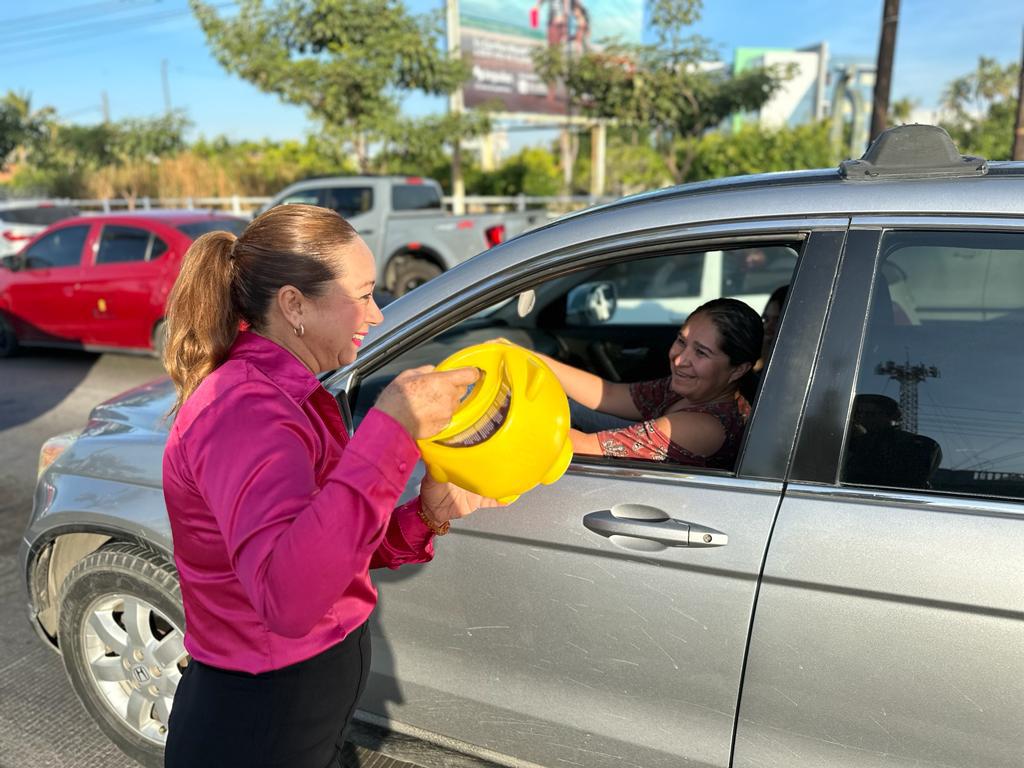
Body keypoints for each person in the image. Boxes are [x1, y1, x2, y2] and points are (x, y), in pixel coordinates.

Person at [160, 203, 499, 768]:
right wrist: (393, 430)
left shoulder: (284, 393)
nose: (378, 315)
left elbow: (330, 545)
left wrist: (424, 514)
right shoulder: (244, 408)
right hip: (259, 711)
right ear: (294, 305)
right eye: (363, 295)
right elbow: (288, 597)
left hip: (299, 693)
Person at [531, 297, 762, 470]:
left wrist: (509, 413)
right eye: (682, 341)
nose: (679, 358)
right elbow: (609, 394)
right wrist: (532, 359)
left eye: (701, 352)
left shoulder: (705, 426)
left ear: (738, 369)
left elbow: (584, 446)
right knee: (574, 409)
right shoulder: (689, 391)